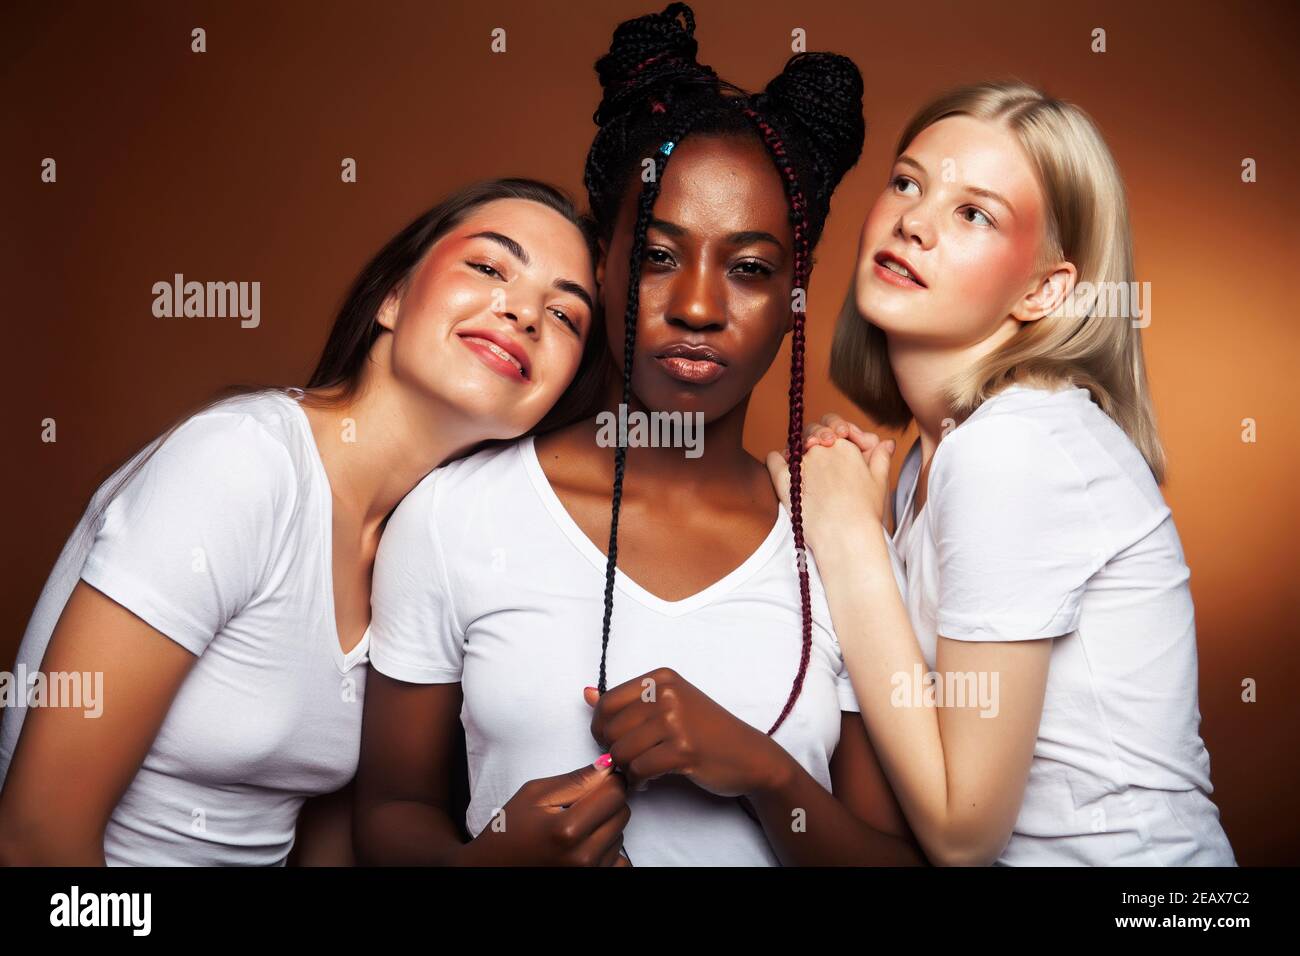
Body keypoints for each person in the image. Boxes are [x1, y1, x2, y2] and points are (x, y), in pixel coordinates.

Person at [355, 3, 923, 866]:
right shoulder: (455, 515)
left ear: (792, 299)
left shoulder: (835, 543)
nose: (697, 305)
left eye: (750, 269)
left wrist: (769, 777)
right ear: (604, 262)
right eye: (660, 255)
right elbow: (389, 813)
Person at [0, 179, 604, 865]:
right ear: (393, 298)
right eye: (490, 268)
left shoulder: (425, 544)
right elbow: (33, 839)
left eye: (565, 316)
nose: (524, 311)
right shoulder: (240, 463)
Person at [771, 81, 1237, 865]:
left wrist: (850, 540)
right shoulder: (936, 458)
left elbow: (963, 836)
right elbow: (904, 801)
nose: (913, 222)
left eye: (973, 213)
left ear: (1044, 290)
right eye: (908, 182)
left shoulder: (1015, 449)